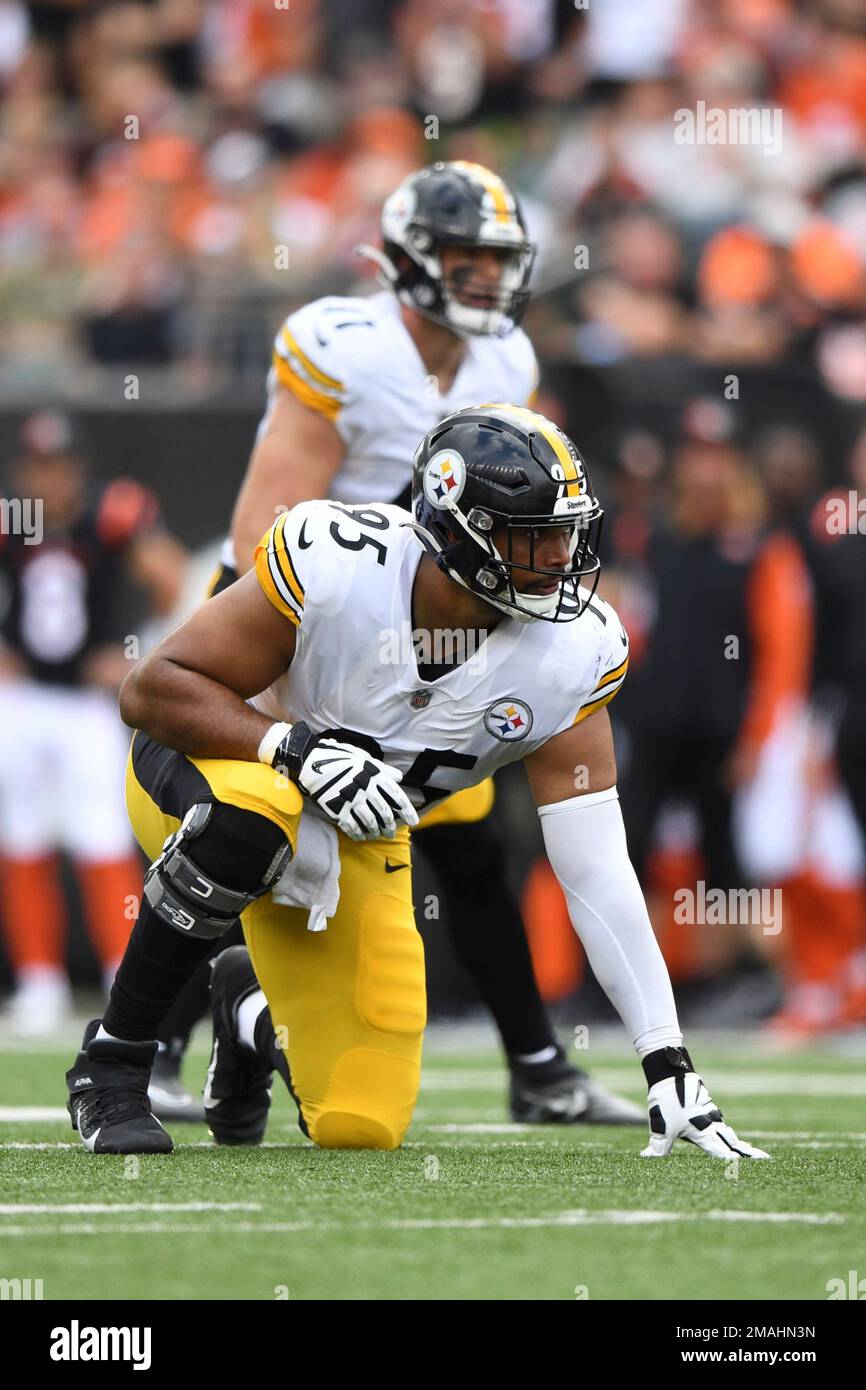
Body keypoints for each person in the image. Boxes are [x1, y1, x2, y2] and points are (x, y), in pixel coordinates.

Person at [66, 403, 767, 1161]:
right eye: (536, 535)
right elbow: (153, 689)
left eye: (570, 533)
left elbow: (597, 869)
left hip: (352, 834)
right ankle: (113, 1061)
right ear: (460, 531)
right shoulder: (339, 564)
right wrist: (290, 746)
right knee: (257, 810)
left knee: (361, 1125)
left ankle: (248, 1011)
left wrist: (667, 1061)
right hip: (212, 774)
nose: (563, 558)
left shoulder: (575, 654)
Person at [150, 159, 640, 1127]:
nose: (487, 280)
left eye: (499, 261)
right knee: (252, 822)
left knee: (469, 845)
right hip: (304, 614)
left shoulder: (504, 361)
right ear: (411, 256)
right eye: (467, 258)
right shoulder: (346, 347)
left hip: (424, 625)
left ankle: (538, 1066)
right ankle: (160, 1040)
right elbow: (266, 524)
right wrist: (312, 671)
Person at [0, 411, 186, 1034]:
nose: (47, 478)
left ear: (78, 468)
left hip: (85, 703)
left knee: (101, 836)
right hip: (22, 696)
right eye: (37, 465)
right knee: (21, 838)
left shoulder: (110, 513)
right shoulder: (12, 517)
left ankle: (119, 973)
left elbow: (169, 575)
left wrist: (139, 651)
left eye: (58, 465)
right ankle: (39, 982)